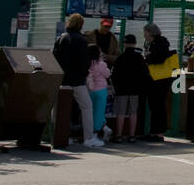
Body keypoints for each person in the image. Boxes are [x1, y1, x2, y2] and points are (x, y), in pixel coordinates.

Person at [53, 14, 101, 147]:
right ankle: (88, 137)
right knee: (86, 106)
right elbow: (84, 61)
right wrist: (83, 74)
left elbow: (55, 57)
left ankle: (60, 136)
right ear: (81, 25)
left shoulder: (61, 38)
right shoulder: (81, 40)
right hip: (77, 80)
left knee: (61, 109)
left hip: (62, 79)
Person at [111, 34, 149, 143]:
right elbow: (145, 73)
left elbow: (114, 74)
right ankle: (132, 135)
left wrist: (116, 86)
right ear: (135, 43)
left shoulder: (121, 57)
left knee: (121, 112)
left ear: (124, 43)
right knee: (133, 112)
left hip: (122, 89)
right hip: (135, 89)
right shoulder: (139, 57)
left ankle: (118, 135)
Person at [142, 22, 174, 142]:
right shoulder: (159, 42)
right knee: (156, 106)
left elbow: (159, 58)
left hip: (159, 79)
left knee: (157, 106)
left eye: (145, 32)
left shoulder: (159, 43)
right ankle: (155, 132)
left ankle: (158, 133)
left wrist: (148, 58)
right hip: (160, 79)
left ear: (150, 32)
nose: (144, 35)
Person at [85, 44, 112, 144]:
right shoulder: (101, 64)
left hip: (90, 90)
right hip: (101, 90)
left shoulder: (88, 64)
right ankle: (96, 133)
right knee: (99, 112)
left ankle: (105, 128)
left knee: (91, 111)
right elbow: (107, 74)